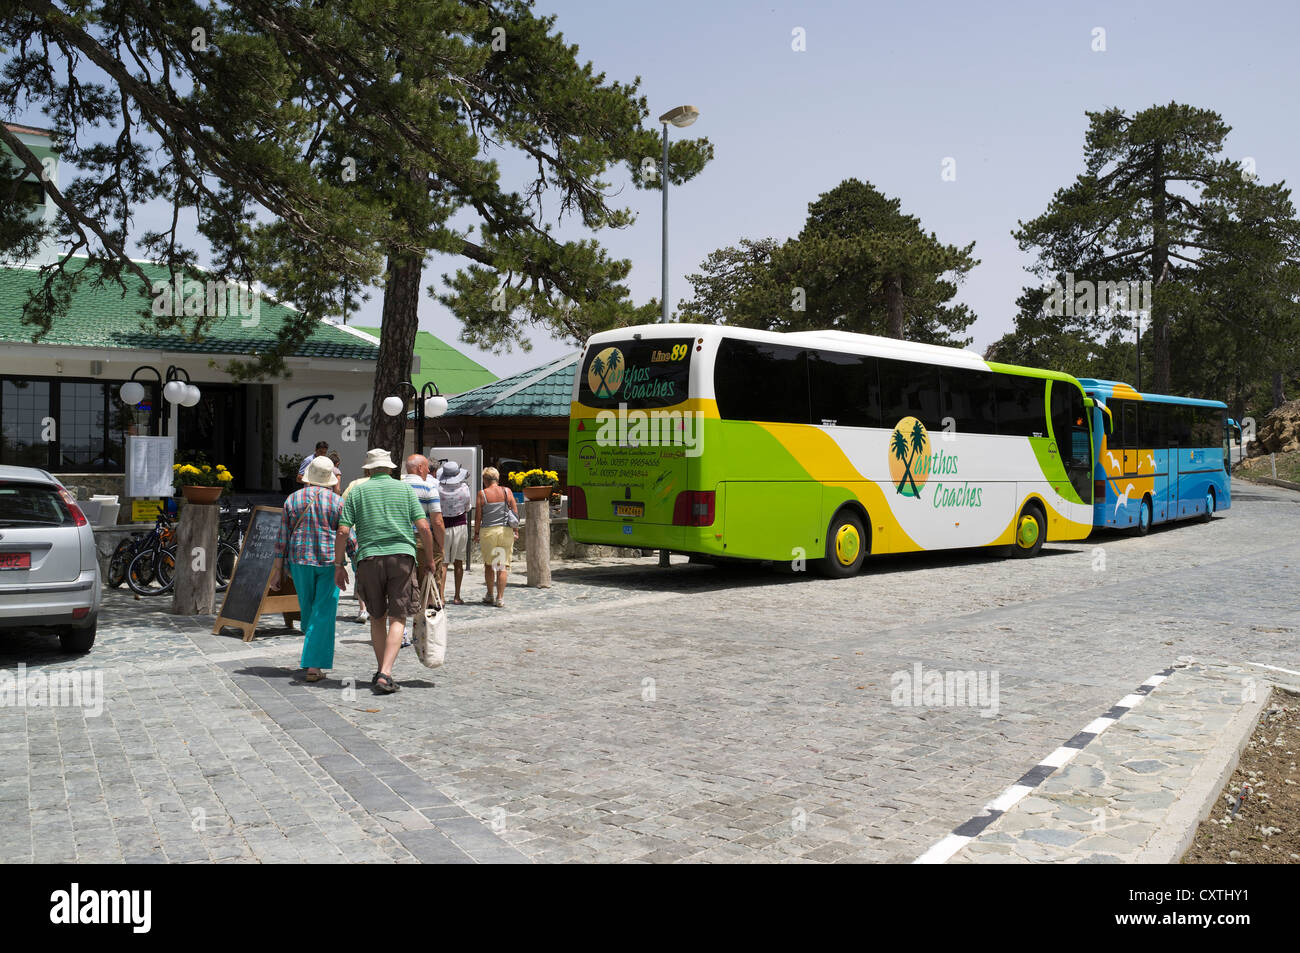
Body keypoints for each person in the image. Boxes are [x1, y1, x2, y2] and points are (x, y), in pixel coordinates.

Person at [335, 449, 434, 694]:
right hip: (402, 557)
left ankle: (382, 670)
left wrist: (339, 565)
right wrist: (430, 559)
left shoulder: (357, 491)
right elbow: (424, 527)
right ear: (390, 468)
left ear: (367, 469)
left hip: (368, 558)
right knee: (398, 617)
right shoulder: (404, 490)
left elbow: (343, 532)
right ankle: (385, 673)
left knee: (376, 617)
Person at [270, 456, 352, 682]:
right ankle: (314, 665)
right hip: (329, 562)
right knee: (323, 611)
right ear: (329, 478)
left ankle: (312, 647)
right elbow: (346, 535)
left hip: (299, 561)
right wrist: (355, 559)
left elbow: (282, 537)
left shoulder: (292, 499)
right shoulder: (337, 502)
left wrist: (277, 570)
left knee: (307, 608)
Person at [401, 454, 446, 645]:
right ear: (420, 468)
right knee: (429, 583)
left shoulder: (399, 486)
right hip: (423, 539)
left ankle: (401, 632)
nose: (429, 471)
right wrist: (440, 546)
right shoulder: (429, 487)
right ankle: (427, 632)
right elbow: (436, 520)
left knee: (402, 586)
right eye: (427, 467)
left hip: (402, 540)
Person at [474, 466, 518, 608]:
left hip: (489, 533)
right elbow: (515, 513)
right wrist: (515, 531)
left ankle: (490, 594)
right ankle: (500, 598)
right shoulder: (507, 491)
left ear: (485, 480)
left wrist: (475, 534)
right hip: (505, 532)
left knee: (489, 565)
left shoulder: (482, 494)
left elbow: (478, 516)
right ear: (497, 478)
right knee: (502, 565)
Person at [437, 460, 472, 605]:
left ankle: (441, 596)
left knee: (443, 563)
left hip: (443, 526)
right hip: (460, 526)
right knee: (459, 562)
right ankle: (457, 596)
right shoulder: (464, 488)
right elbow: (468, 507)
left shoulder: (438, 488)